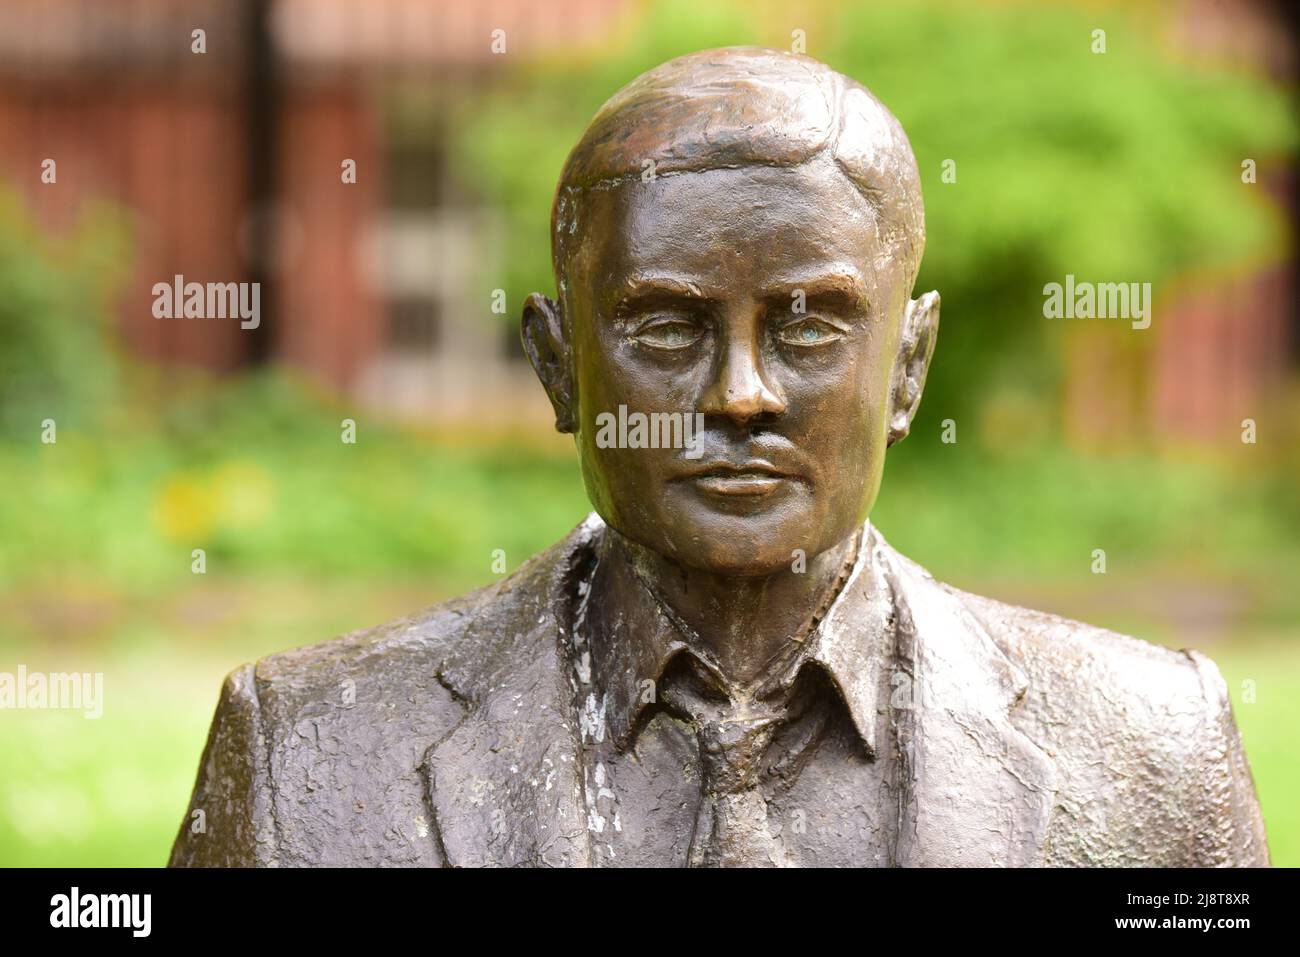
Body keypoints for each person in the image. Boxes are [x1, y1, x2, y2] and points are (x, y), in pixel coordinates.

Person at [170, 47, 1268, 867]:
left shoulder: (1152, 749)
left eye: (809, 326)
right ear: (558, 369)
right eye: (664, 328)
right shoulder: (309, 750)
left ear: (909, 366)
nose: (740, 394)